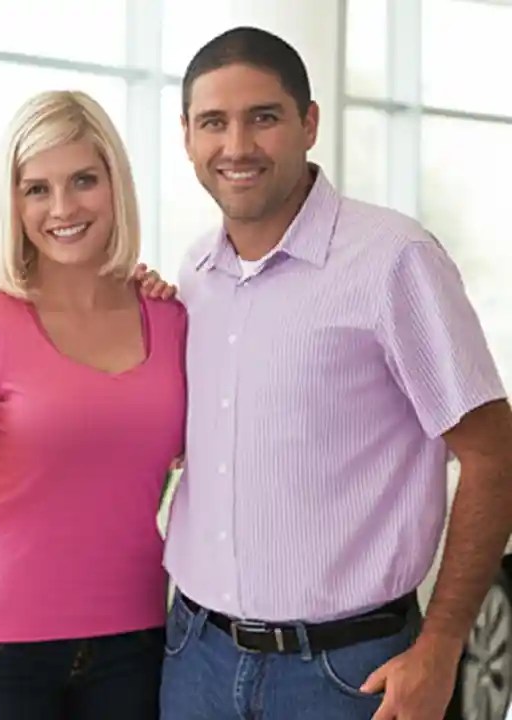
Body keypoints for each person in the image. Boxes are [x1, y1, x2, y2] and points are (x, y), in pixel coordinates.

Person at [160, 26, 512, 720]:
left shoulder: (393, 260)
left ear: (308, 123)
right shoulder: (194, 274)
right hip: (194, 657)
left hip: (347, 674)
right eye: (213, 123)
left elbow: (495, 455)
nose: (236, 146)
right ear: (187, 136)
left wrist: (441, 648)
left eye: (263, 117)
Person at [0, 89, 187, 719]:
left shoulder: (170, 315)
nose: (63, 208)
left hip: (137, 642)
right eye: (37, 189)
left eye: (83, 181)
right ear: (12, 200)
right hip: (0, 655)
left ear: (115, 184)